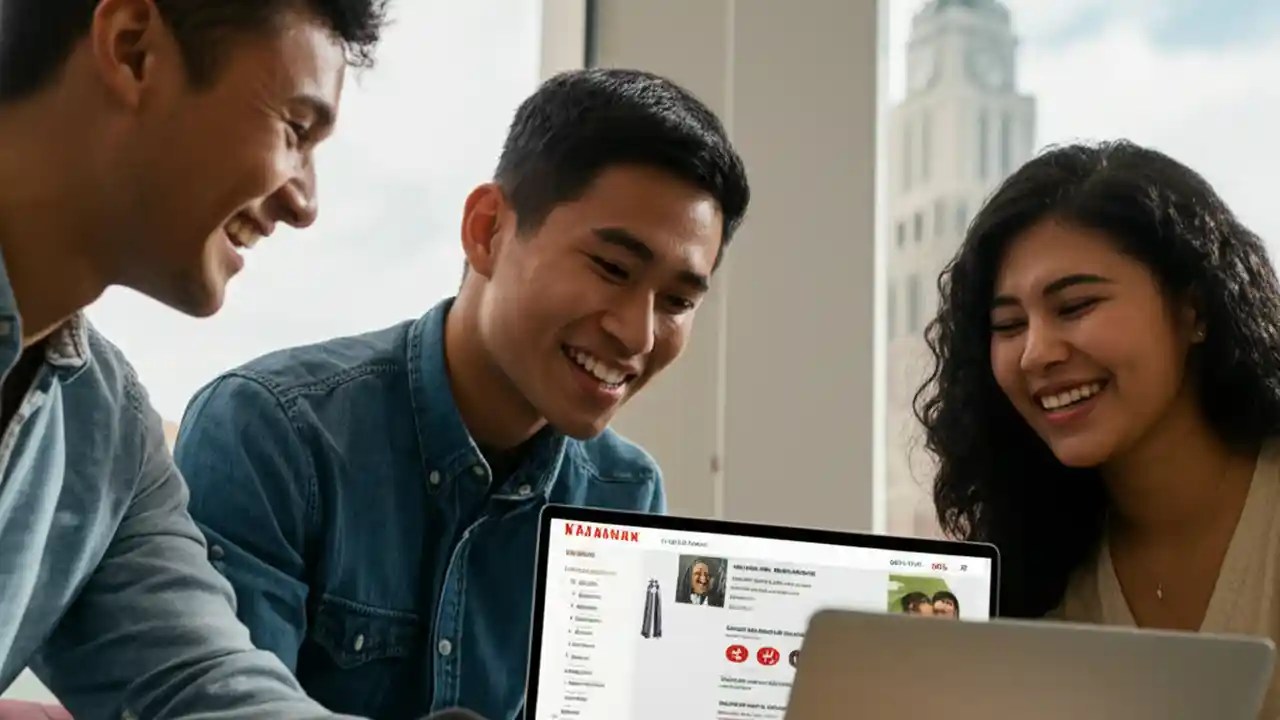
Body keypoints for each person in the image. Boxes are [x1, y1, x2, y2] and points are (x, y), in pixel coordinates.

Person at [174, 67, 751, 720]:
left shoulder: (626, 494)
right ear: (487, 230)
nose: (638, 334)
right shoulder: (270, 434)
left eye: (676, 301)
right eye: (612, 269)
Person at [0, 0, 392, 717]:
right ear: (132, 49)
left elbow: (203, 683)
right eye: (294, 130)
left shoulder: (105, 428)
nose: (305, 202)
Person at [916, 139, 1280, 713]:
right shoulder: (1036, 567)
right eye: (1009, 324)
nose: (1035, 353)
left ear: (1196, 312)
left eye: (1076, 306)